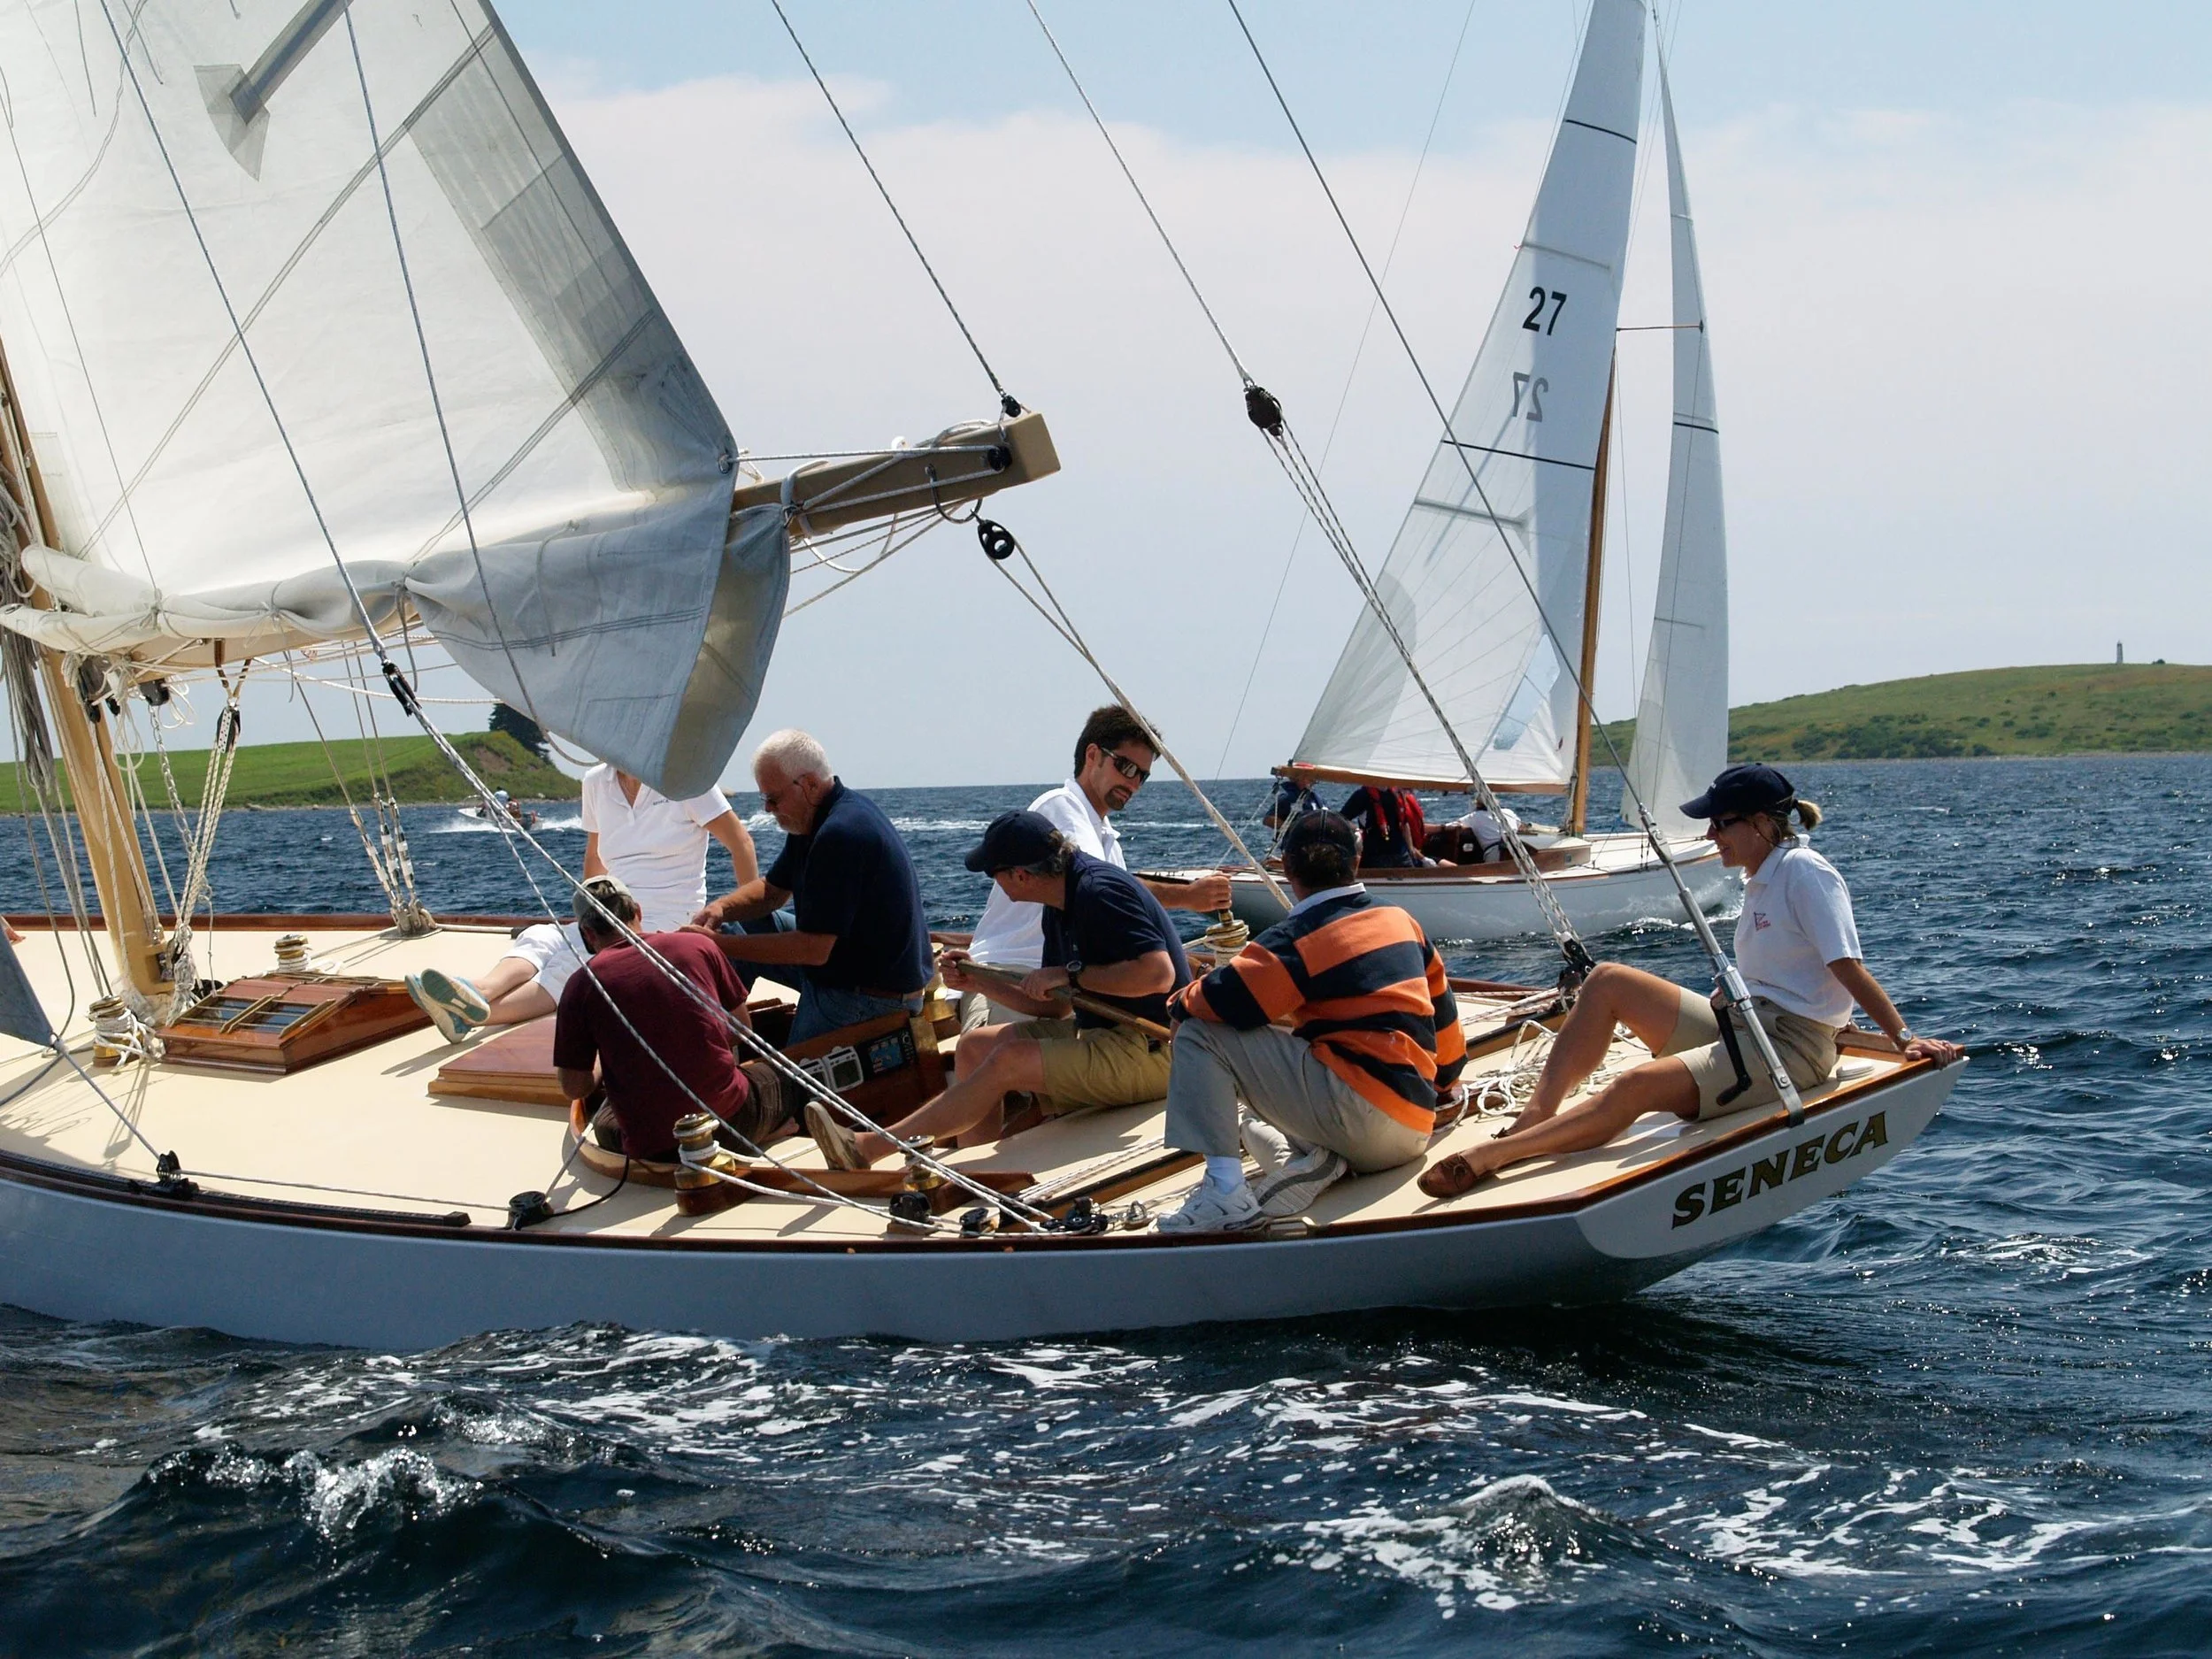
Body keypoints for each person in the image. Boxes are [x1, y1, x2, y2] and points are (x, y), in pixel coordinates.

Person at [1417, 764, 1968, 1198]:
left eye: (1720, 823)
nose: (1710, 835)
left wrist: (1903, 1039)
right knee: (1607, 980)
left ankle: (1494, 1158)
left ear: (1759, 824)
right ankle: (1540, 1114)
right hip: (1746, 1025)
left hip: (1792, 1048)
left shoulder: (1805, 872)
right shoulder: (1761, 879)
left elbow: (1845, 966)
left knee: (1635, 1086)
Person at [807, 810, 1191, 1168]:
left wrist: (1070, 975)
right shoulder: (1060, 902)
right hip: (1108, 1034)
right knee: (975, 1047)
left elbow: (1157, 975)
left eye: (995, 873)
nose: (995, 883)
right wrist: (980, 981)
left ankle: (867, 1149)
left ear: (1020, 875)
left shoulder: (1097, 892)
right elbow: (1054, 1009)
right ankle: (979, 1170)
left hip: (1158, 1048)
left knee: (1008, 1061)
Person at [1152, 811, 1467, 1233]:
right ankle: (1314, 1163)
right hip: (1415, 1127)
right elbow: (1445, 1028)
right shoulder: (1401, 921)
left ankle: (1226, 1195)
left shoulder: (1294, 939)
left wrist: (1182, 1000)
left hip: (1358, 1123)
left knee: (1199, 1031)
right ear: (1356, 861)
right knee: (1252, 1125)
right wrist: (1445, 1090)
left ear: (1288, 870)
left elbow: (1213, 1003)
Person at [407, 763, 757, 1042]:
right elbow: (595, 856)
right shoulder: (596, 782)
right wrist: (587, 915)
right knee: (543, 937)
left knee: (576, 964)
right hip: (611, 908)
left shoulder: (685, 779)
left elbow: (741, 843)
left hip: (668, 917)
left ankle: (471, 1013)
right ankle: (477, 991)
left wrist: (749, 919)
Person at [961, 706, 1231, 1030]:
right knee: (987, 1056)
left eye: (1142, 776)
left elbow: (1123, 920)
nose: (1133, 783)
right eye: (1125, 767)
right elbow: (1108, 893)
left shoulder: (1107, 841)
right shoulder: (1060, 808)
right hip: (1012, 975)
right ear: (1093, 755)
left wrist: (1195, 969)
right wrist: (1189, 896)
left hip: (1063, 985)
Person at [691, 729, 932, 1045]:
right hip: (845, 965)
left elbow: (813, 949)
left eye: (772, 798)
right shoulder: (811, 820)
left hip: (869, 996)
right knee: (741, 923)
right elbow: (773, 891)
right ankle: (718, 1030)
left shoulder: (840, 834)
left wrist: (717, 945)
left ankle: (719, 1049)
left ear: (809, 785)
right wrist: (721, 908)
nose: (767, 809)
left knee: (792, 1084)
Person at [550, 876, 800, 1162]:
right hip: (734, 1122)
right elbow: (741, 1029)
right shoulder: (696, 946)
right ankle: (757, 1134)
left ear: (588, 934)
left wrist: (601, 1066)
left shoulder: (579, 986)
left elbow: (575, 1087)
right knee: (787, 1075)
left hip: (656, 1148)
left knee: (603, 1115)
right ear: (638, 912)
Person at [1340, 782, 1428, 869]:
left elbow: (1404, 823)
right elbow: (1342, 819)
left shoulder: (1396, 794)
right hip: (1375, 855)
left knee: (1410, 876)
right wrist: (1356, 831)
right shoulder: (1362, 795)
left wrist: (1411, 850)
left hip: (1401, 853)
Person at [1427, 800, 1522, 864]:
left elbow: (1452, 826)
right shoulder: (1509, 812)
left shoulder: (1474, 817)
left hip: (1495, 853)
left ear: (1477, 804)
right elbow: (1518, 825)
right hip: (1519, 848)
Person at [1263, 765, 1322, 832]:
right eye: (1309, 776)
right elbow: (1268, 819)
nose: (1313, 779)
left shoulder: (1316, 799)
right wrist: (1291, 828)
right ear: (1299, 778)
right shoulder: (1287, 798)